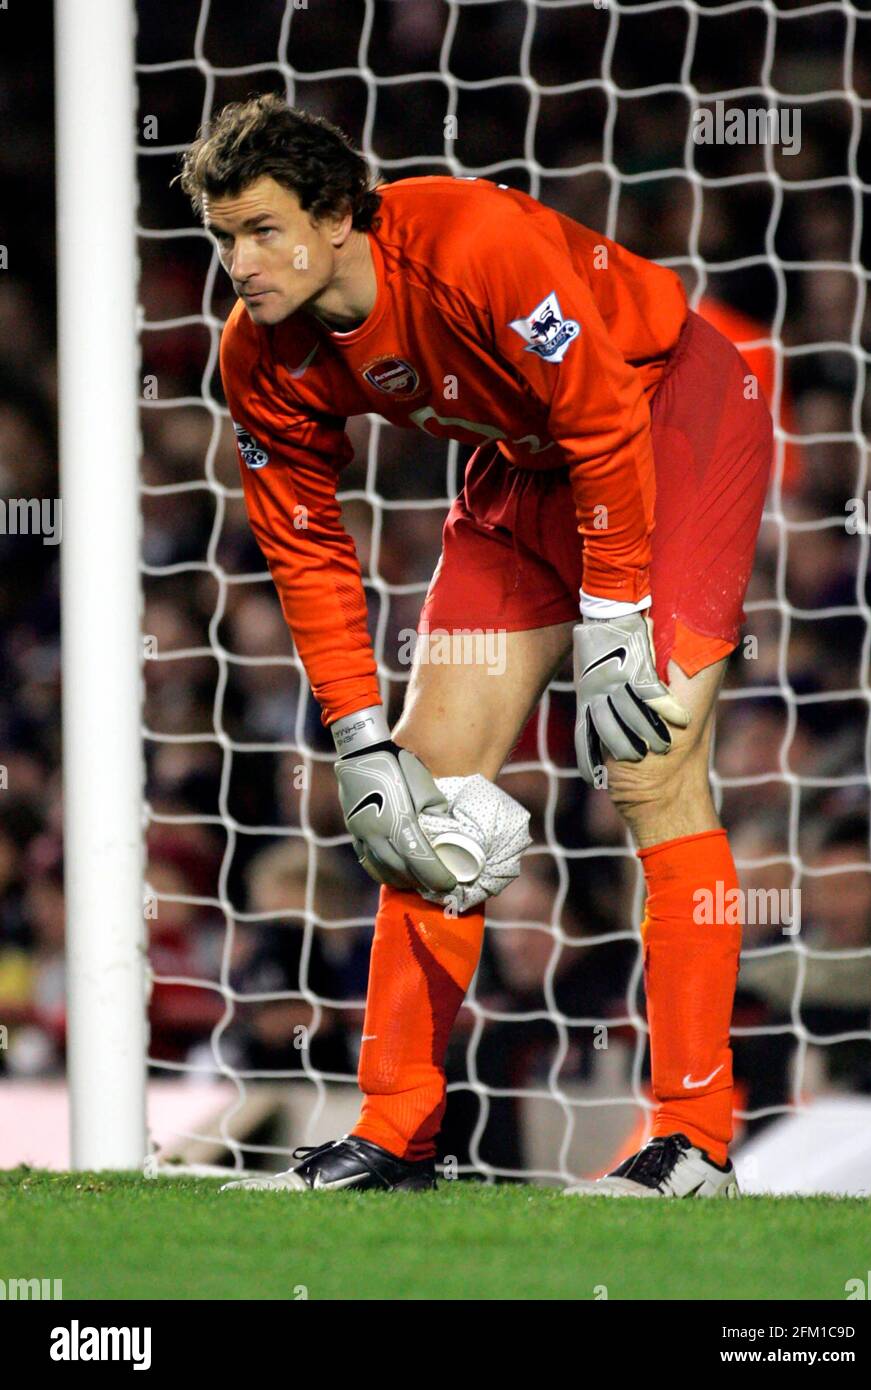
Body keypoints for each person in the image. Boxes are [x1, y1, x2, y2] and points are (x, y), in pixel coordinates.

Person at [178, 94, 772, 1196]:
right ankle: (396, 1130)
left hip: (668, 422)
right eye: (222, 237)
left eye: (262, 230)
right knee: (418, 799)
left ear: (339, 213)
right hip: (520, 468)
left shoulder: (470, 245)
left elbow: (598, 416)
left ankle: (693, 1138)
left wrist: (610, 618)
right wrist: (355, 731)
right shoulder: (257, 352)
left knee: (647, 770)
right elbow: (303, 545)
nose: (240, 264)